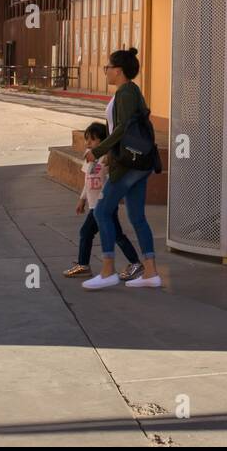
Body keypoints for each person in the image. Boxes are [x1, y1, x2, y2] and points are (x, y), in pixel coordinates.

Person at [83, 48, 162, 290]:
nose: (105, 71)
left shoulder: (126, 92)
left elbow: (121, 131)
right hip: (139, 163)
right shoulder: (129, 92)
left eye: (107, 67)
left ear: (118, 71)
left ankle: (108, 271)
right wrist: (109, 153)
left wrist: (98, 151)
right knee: (137, 217)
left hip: (128, 164)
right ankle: (150, 272)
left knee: (102, 211)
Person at [63, 122, 140, 279]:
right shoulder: (89, 156)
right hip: (93, 205)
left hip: (105, 205)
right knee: (110, 234)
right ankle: (135, 263)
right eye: (87, 139)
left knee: (90, 233)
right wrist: (82, 199)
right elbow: (87, 180)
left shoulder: (107, 157)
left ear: (104, 141)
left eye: (92, 139)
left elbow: (115, 179)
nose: (88, 143)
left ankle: (84, 265)